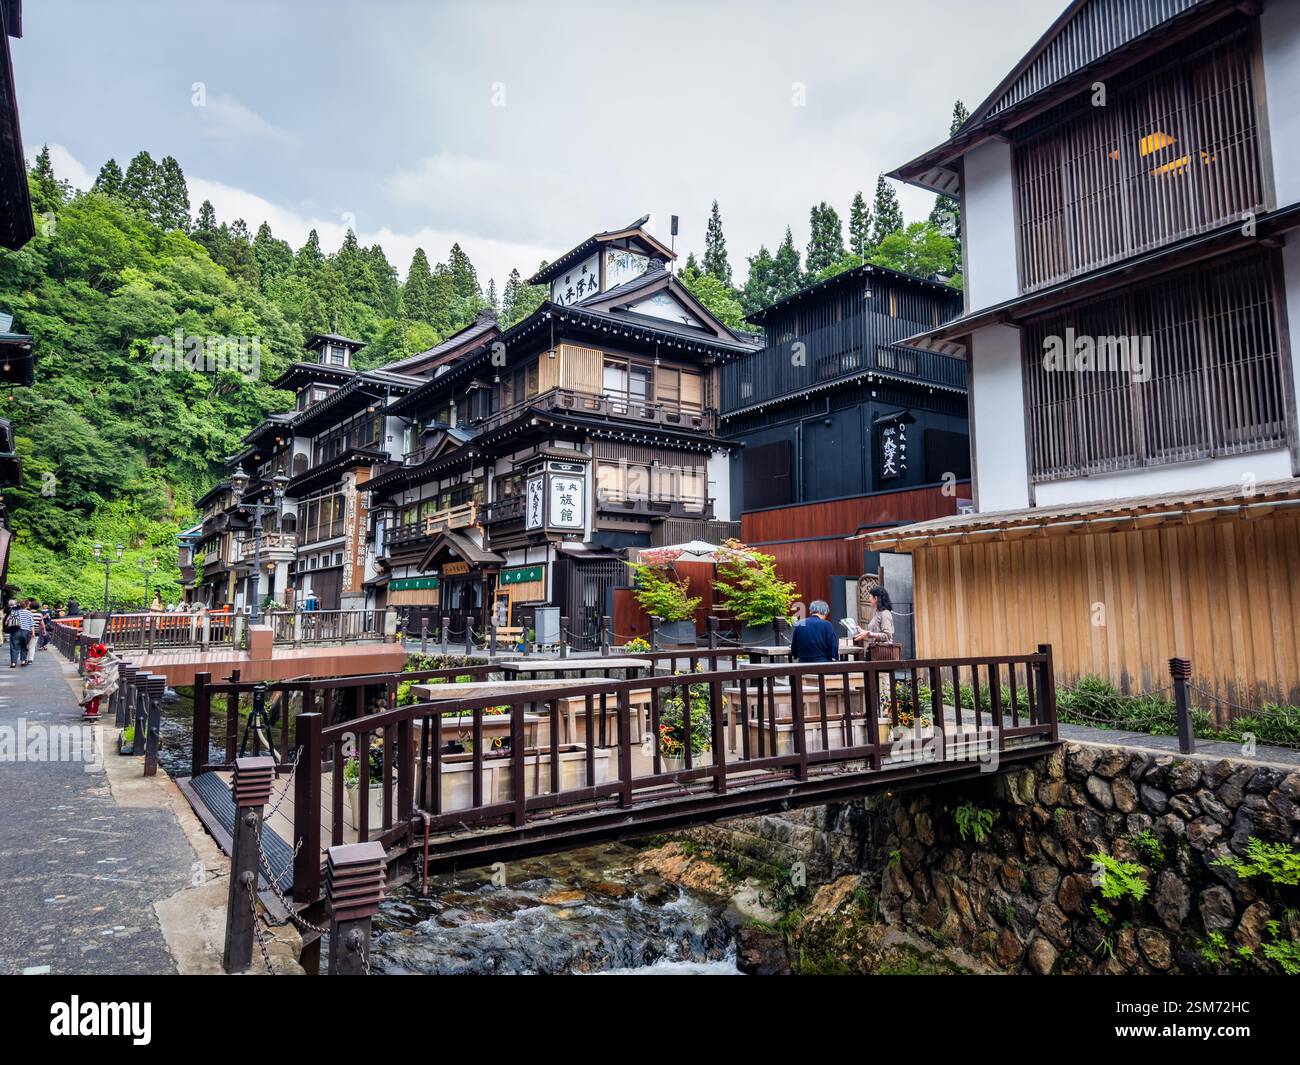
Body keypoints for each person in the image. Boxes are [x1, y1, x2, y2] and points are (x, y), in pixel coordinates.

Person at [854, 585, 896, 655]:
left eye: (870, 597)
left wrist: (868, 633)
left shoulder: (885, 613)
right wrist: (863, 631)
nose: (869, 599)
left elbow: (887, 636)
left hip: (883, 655)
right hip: (875, 652)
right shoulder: (877, 613)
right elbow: (875, 632)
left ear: (875, 598)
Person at [7, 598, 34, 667]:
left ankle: (13, 663)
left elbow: (7, 621)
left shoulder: (14, 612)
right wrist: (33, 633)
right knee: (24, 646)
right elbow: (31, 624)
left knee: (14, 647)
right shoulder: (29, 613)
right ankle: (23, 661)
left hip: (15, 631)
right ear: (27, 605)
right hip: (26, 632)